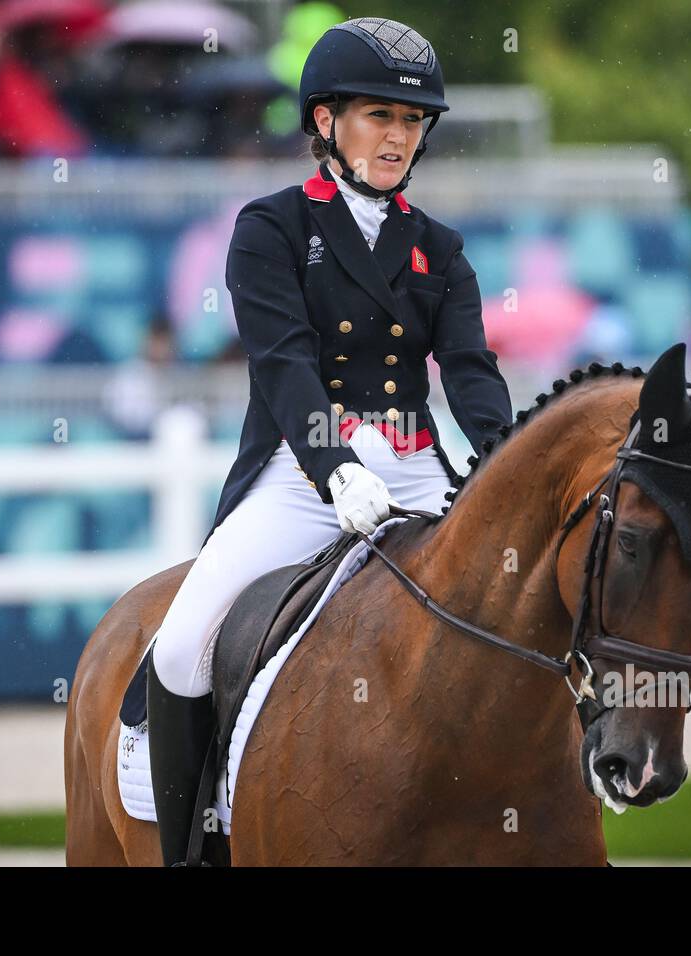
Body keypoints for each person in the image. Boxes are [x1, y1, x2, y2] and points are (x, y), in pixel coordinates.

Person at [144, 17, 513, 865]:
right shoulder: (271, 229)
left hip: (419, 469)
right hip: (303, 472)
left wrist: (499, 459)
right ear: (325, 123)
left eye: (412, 121)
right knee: (181, 645)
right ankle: (191, 849)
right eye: (379, 115)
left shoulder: (440, 251)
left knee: (527, 608)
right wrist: (336, 467)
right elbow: (284, 366)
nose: (398, 136)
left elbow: (469, 372)